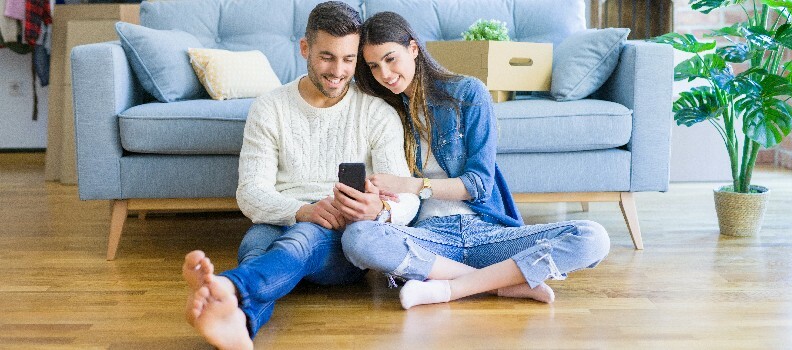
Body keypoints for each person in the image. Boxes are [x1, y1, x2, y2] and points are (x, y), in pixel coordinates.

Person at [333, 11, 611, 310]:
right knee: (358, 237)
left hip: (485, 231)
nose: (384, 74)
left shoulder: (467, 93)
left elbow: (477, 185)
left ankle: (447, 289)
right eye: (373, 66)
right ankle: (502, 285)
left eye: (391, 59)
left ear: (413, 49)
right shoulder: (384, 111)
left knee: (592, 237)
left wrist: (408, 185)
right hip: (428, 238)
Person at [182, 3, 419, 349]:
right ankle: (241, 324)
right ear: (305, 48)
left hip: (338, 239)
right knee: (255, 245)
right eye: (327, 57)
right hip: (283, 218)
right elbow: (249, 193)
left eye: (349, 59)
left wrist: (379, 212)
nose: (338, 71)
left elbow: (408, 197)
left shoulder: (376, 113)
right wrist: (301, 210)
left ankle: (228, 286)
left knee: (303, 239)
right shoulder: (270, 107)